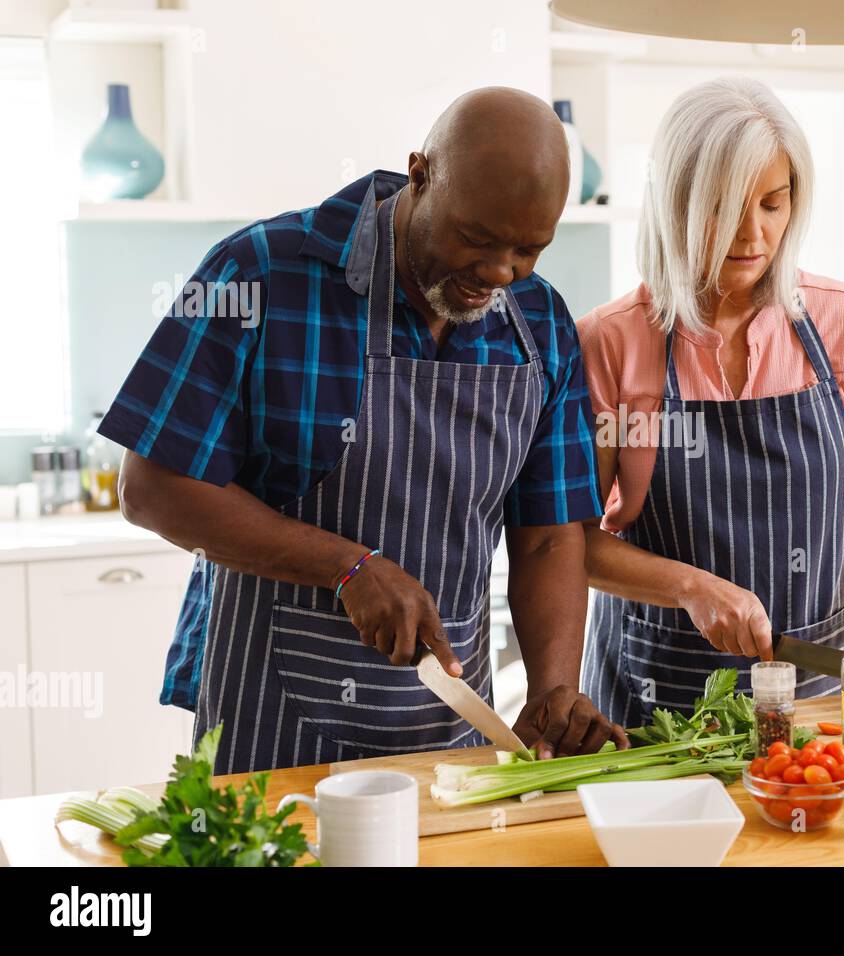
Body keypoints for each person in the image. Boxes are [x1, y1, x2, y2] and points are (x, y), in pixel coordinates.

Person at [101, 87, 627, 773]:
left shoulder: (541, 324)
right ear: (420, 175)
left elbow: (549, 534)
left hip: (451, 731)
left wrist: (555, 688)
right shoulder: (262, 275)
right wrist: (346, 567)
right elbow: (151, 487)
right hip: (274, 728)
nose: (499, 273)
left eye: (528, 249)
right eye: (475, 238)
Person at [578, 77, 844, 726]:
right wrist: (691, 587)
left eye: (772, 203)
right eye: (724, 205)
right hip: (656, 701)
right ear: (676, 201)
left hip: (819, 687)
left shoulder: (839, 322)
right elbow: (568, 544)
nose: (752, 232)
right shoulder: (612, 342)